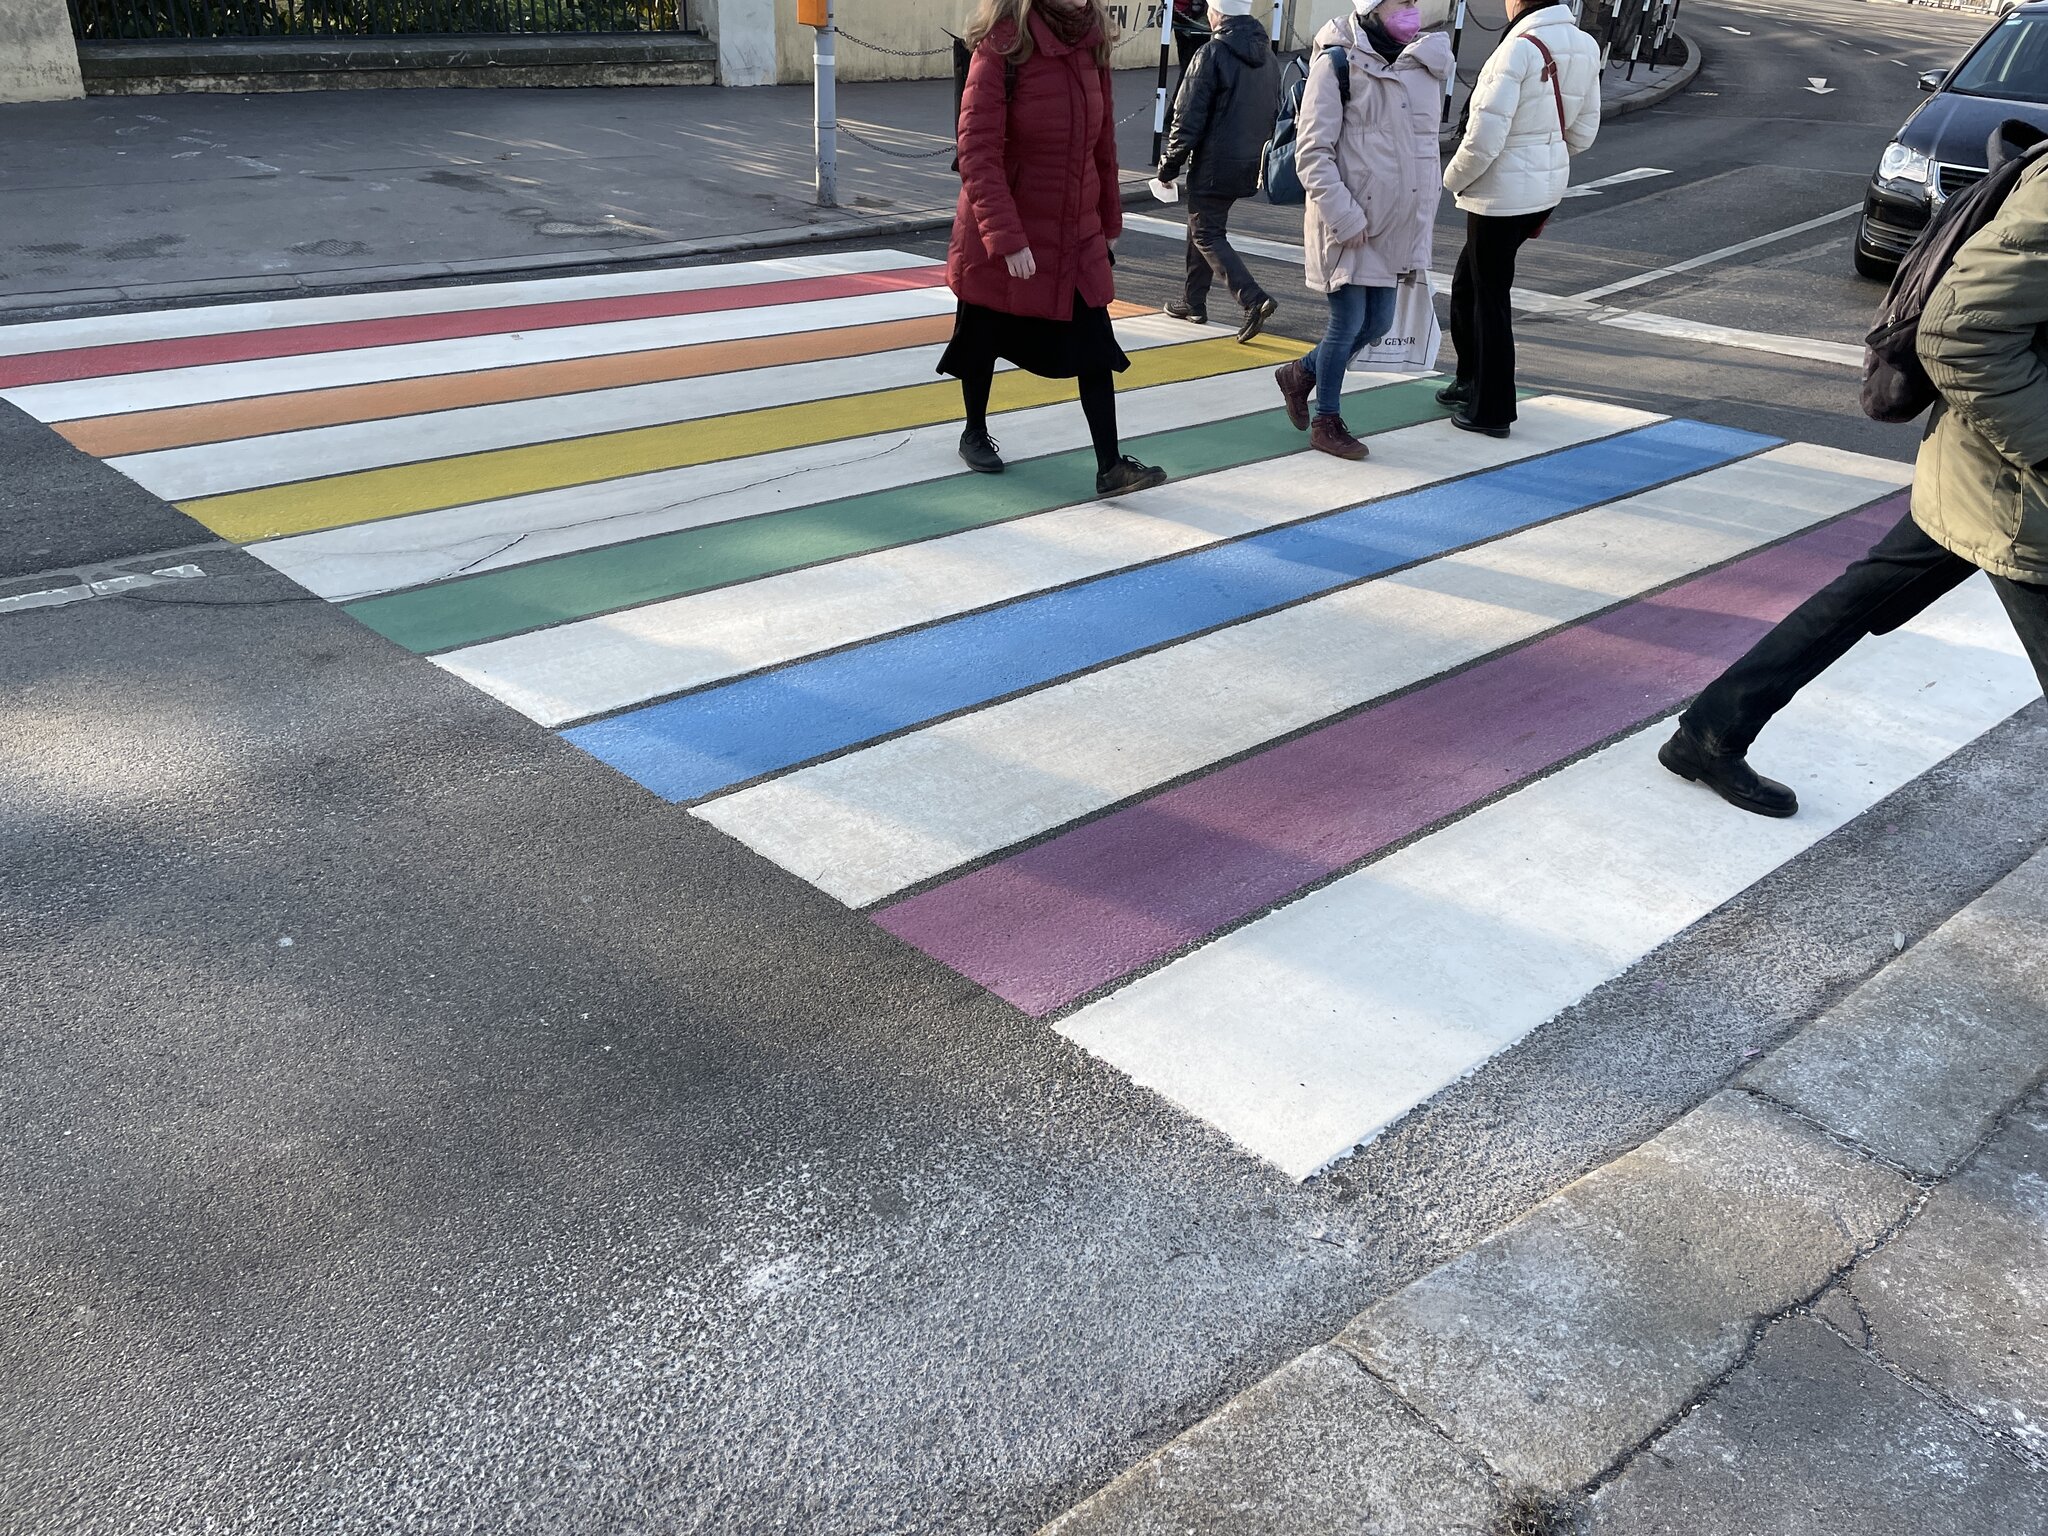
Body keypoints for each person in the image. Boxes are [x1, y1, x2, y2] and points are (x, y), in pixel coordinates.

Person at [1661, 151, 2048, 818]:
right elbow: (1957, 335)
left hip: (1989, 477)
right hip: (2017, 487)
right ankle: (1709, 732)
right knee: (1859, 597)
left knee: (1858, 598)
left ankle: (1710, 731)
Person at [945, 0, 1168, 496]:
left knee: (1095, 342)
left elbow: (1102, 144)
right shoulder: (1003, 43)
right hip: (1005, 228)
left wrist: (1109, 217)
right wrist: (1007, 238)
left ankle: (1110, 467)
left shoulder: (1091, 42)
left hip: (1075, 227)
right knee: (982, 333)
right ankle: (974, 430)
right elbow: (977, 151)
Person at [1272, 0, 1454, 460]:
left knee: (1378, 324)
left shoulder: (1423, 66)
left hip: (1397, 225)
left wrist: (1421, 215)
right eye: (1400, 1)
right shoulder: (1337, 63)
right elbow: (1312, 153)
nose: (1411, 9)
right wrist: (1346, 216)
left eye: (1414, 1)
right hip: (1349, 222)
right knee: (1348, 321)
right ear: (1372, 7)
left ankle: (1300, 373)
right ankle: (1326, 421)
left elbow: (1424, 154)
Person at [1437, 0, 1599, 439]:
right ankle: (1469, 380)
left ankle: (1491, 410)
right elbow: (1584, 133)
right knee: (1468, 283)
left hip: (1500, 194)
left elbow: (1483, 141)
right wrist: (1543, 153)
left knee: (1489, 297)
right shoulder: (1584, 44)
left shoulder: (1517, 49)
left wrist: (1451, 179)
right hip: (1543, 191)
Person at [1156, 0, 1284, 341]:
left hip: (1214, 163)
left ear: (1216, 14)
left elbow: (1187, 117)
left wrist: (1169, 165)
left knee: (1206, 233)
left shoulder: (1211, 53)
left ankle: (1253, 299)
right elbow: (1276, 110)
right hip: (1250, 162)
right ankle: (1193, 301)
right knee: (1202, 225)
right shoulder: (1269, 57)